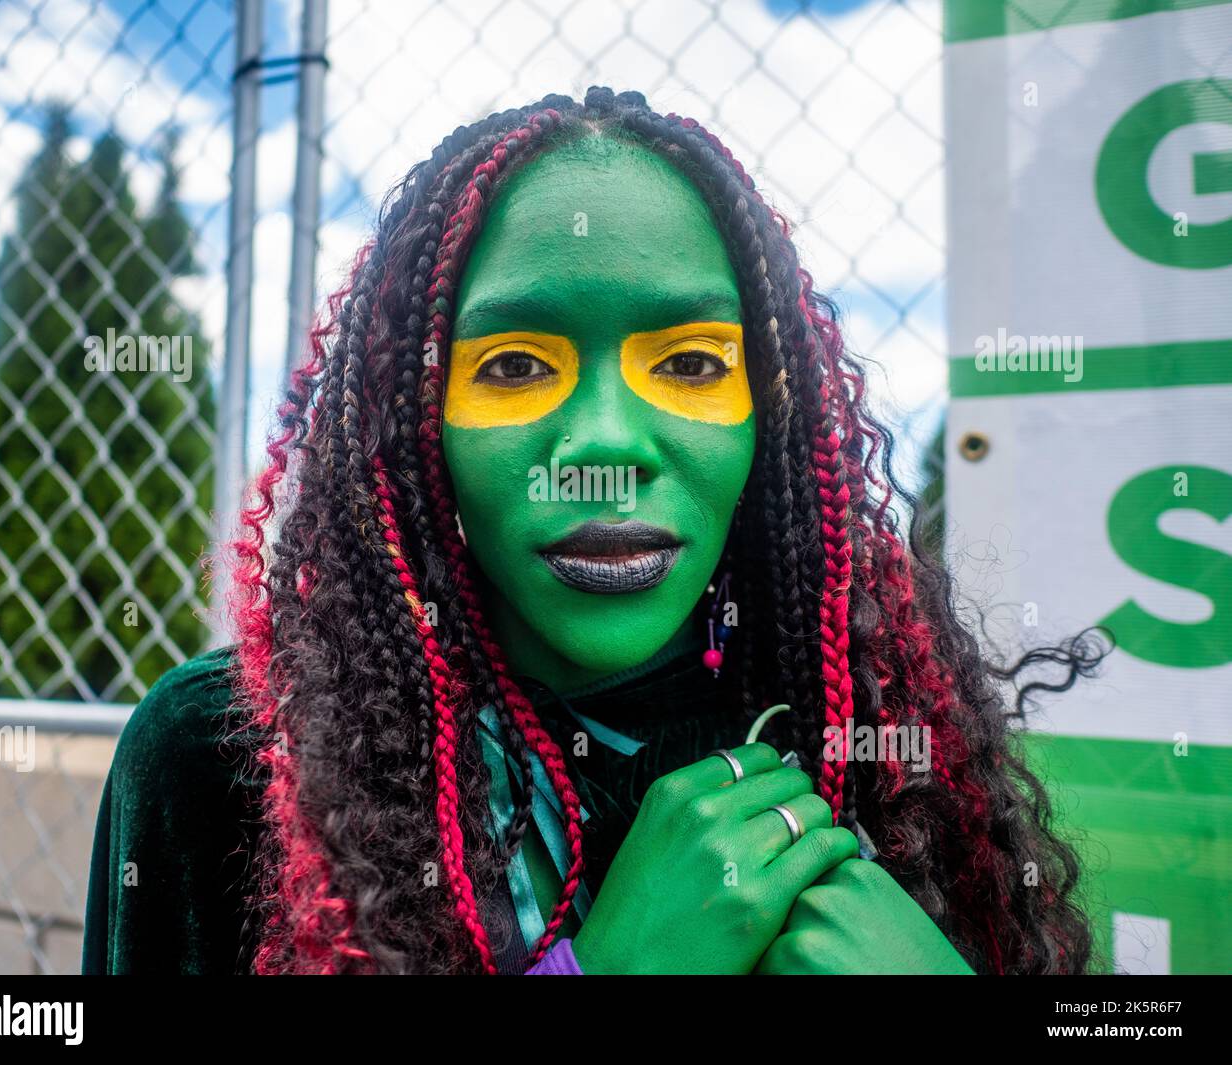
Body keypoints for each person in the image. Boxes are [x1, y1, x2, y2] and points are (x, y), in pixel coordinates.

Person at [83, 86, 1099, 975]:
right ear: (412, 418)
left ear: (770, 415)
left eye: (692, 363)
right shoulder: (228, 759)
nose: (605, 447)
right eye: (516, 365)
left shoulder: (879, 733)